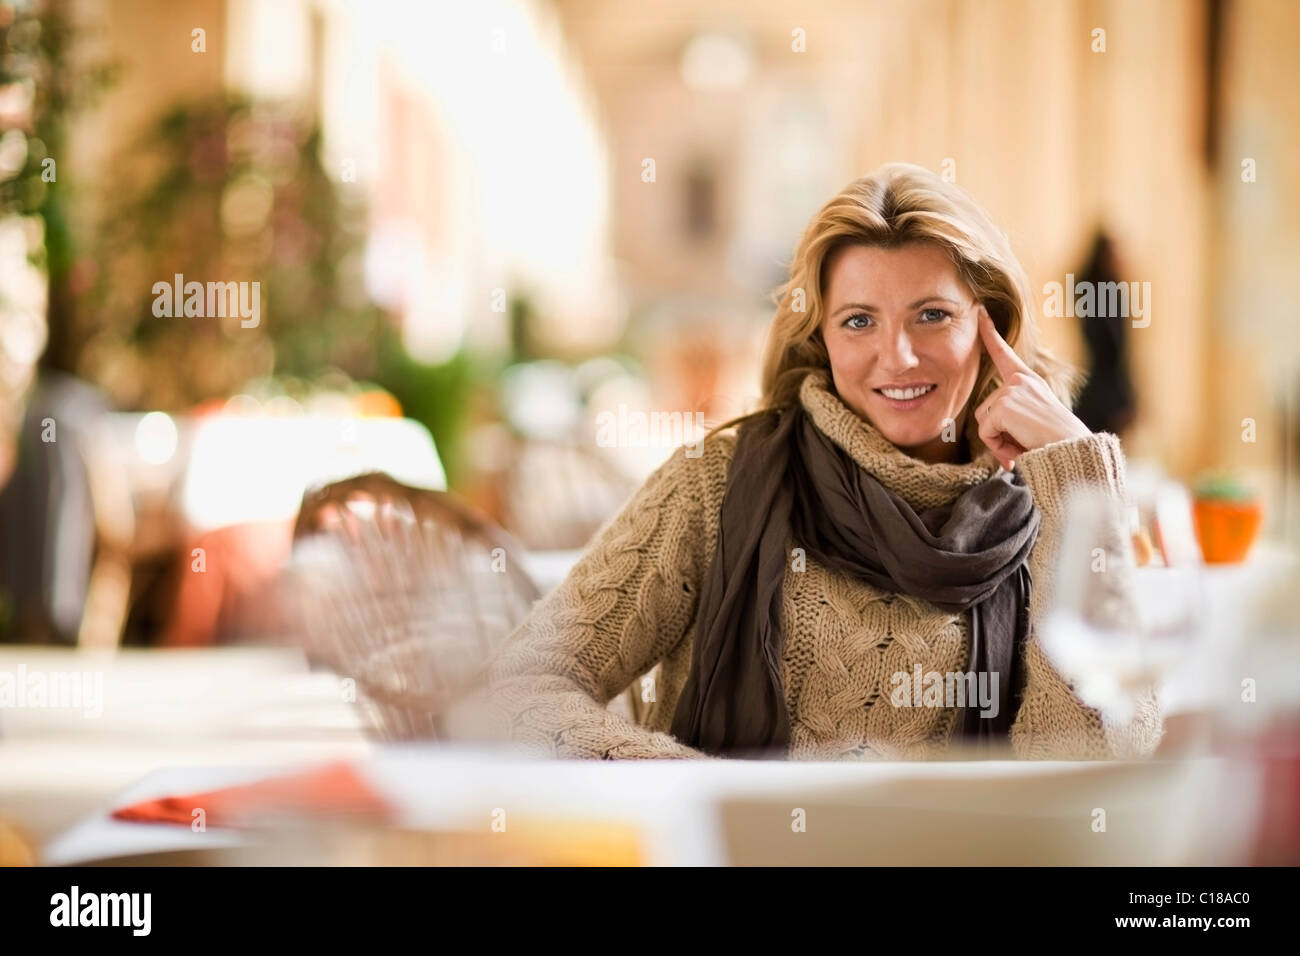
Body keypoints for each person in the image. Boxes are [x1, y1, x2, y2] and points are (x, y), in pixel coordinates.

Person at [454, 162, 1163, 761]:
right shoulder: (717, 484)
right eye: (859, 320)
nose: (899, 356)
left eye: (932, 315)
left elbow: (1097, 765)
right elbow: (517, 689)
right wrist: (712, 794)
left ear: (993, 324)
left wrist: (1077, 485)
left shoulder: (1053, 499)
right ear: (819, 335)